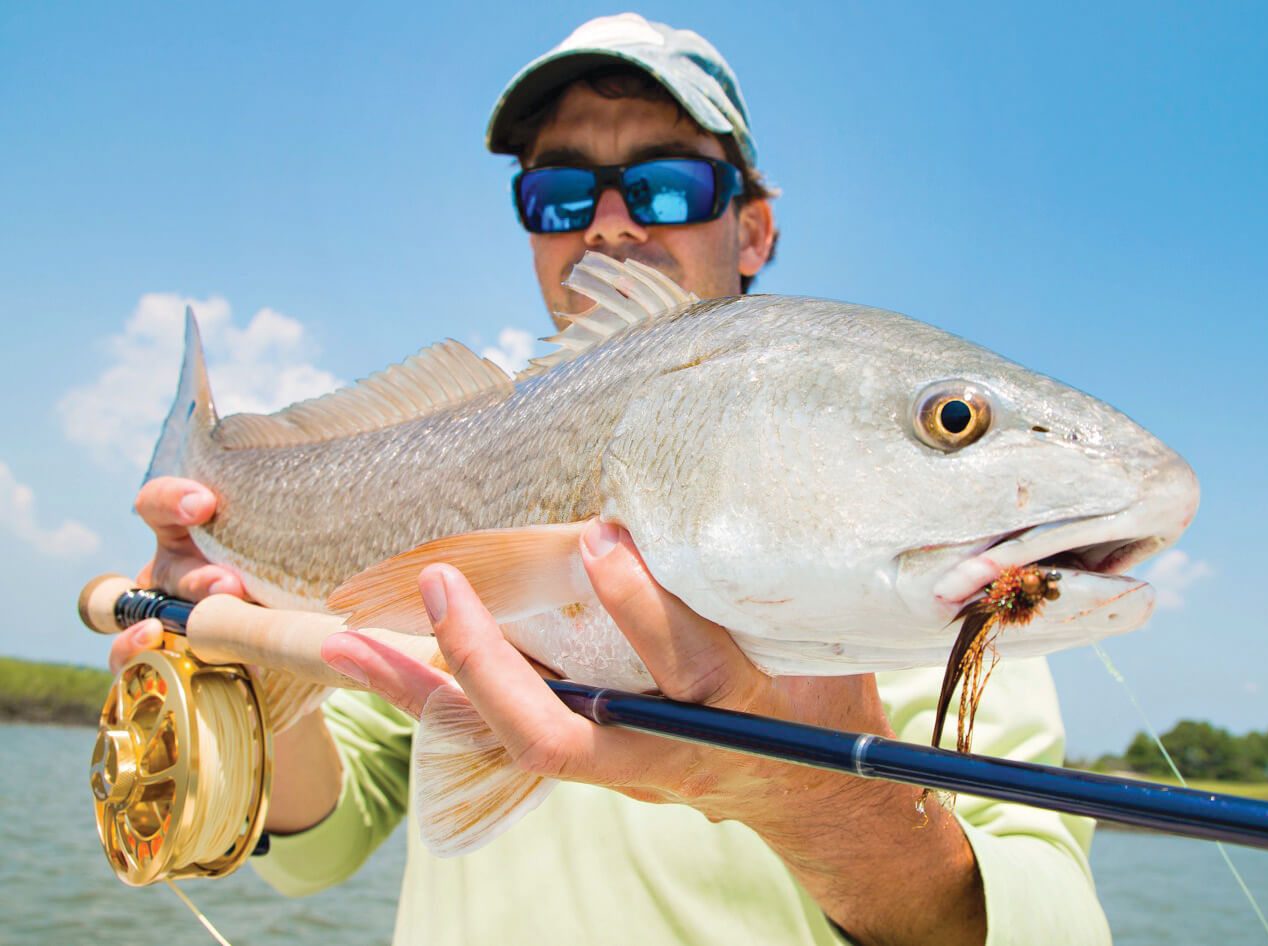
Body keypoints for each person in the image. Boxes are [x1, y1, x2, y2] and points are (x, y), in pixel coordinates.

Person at [113, 14, 1112, 946]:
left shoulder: (926, 591)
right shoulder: (467, 451)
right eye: (559, 194)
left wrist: (828, 802)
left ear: (753, 229)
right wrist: (245, 659)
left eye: (667, 185)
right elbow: (320, 846)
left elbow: (1056, 921)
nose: (609, 225)